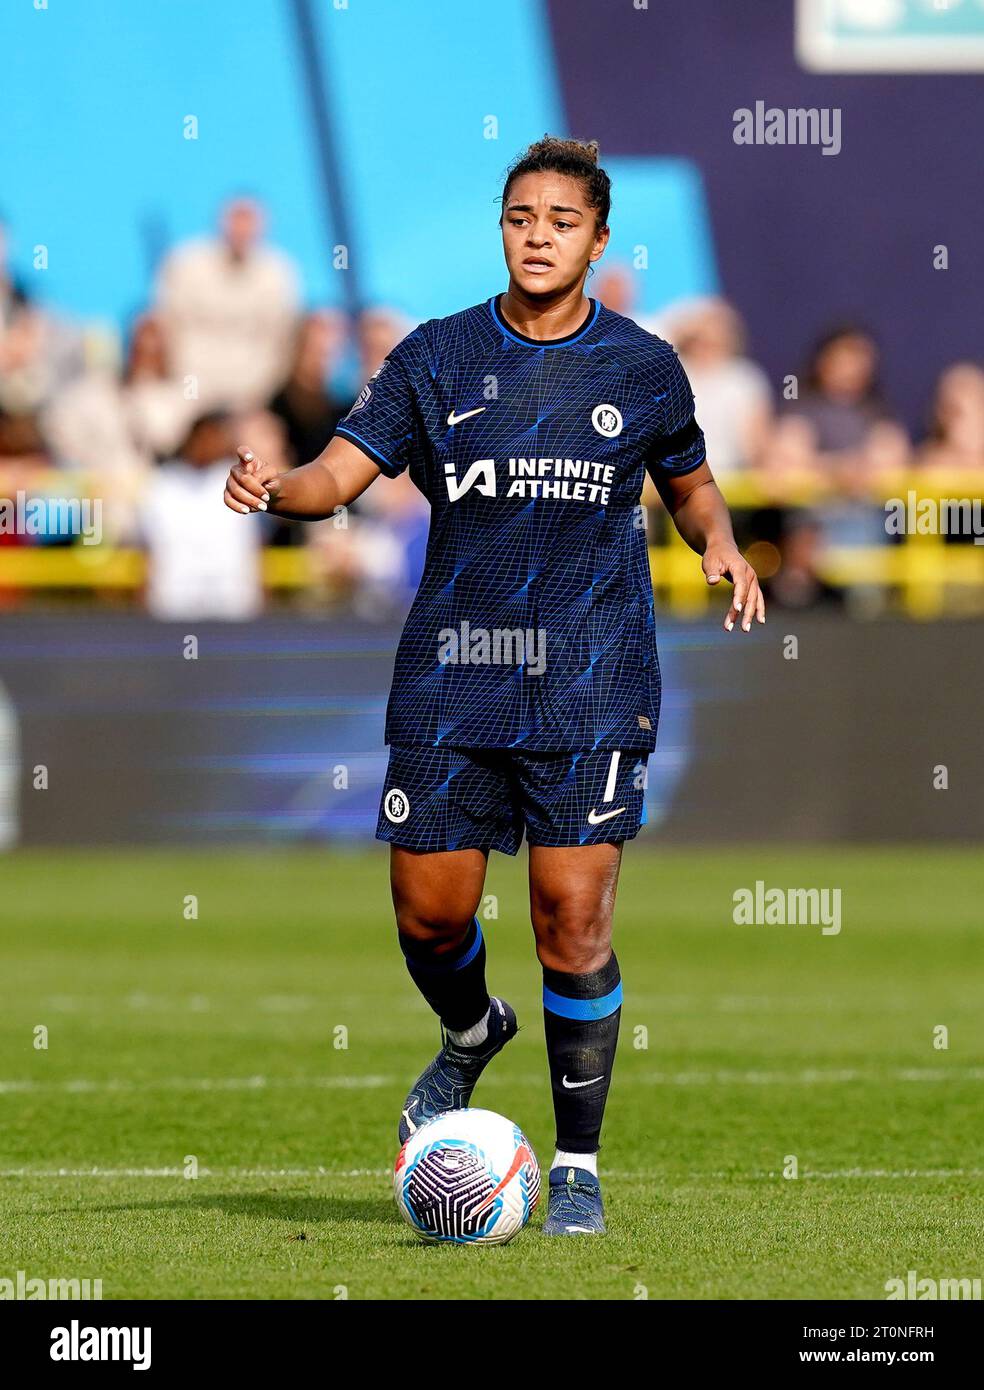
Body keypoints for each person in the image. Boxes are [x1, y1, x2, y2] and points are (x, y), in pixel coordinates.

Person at [223, 136, 763, 1236]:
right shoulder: (435, 356)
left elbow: (692, 484)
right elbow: (345, 467)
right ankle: (472, 1032)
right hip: (454, 674)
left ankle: (574, 1164)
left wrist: (722, 544)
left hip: (592, 676)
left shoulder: (643, 365)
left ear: (598, 240)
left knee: (572, 916)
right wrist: (285, 488)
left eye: (562, 221)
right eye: (522, 218)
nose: (539, 236)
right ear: (502, 228)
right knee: (429, 919)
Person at [156, 196, 299, 411]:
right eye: (236, 220)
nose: (241, 230)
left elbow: (283, 339)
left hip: (252, 393)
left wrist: (259, 391)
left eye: (249, 222)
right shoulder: (187, 262)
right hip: (191, 385)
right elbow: (166, 324)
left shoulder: (278, 272)